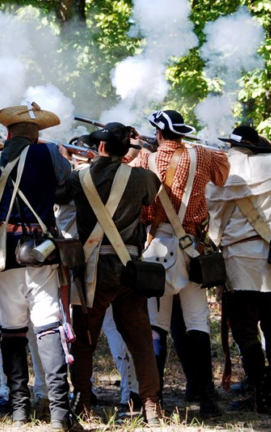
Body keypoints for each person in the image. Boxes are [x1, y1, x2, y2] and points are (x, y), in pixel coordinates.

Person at [0, 102, 78, 430]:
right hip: (41, 250)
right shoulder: (48, 155)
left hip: (5, 254)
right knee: (48, 327)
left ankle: (20, 411)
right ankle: (60, 414)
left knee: (12, 330)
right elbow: (68, 190)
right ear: (36, 136)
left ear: (7, 133)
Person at [56, 123, 162, 424]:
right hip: (130, 268)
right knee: (141, 339)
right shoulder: (141, 177)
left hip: (93, 270)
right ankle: (151, 405)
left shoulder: (80, 177)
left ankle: (85, 404)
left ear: (100, 147)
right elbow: (151, 194)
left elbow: (59, 194)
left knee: (85, 341)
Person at [131, 109, 230, 417]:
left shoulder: (144, 161)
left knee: (157, 325)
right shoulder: (203, 155)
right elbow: (223, 173)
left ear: (158, 134)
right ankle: (208, 400)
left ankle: (153, 399)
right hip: (193, 247)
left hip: (158, 246)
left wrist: (135, 146)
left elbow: (134, 198)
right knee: (198, 323)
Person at [206, 126, 271, 414]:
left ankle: (257, 391)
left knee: (245, 328)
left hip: (239, 256)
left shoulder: (224, 169)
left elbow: (213, 216)